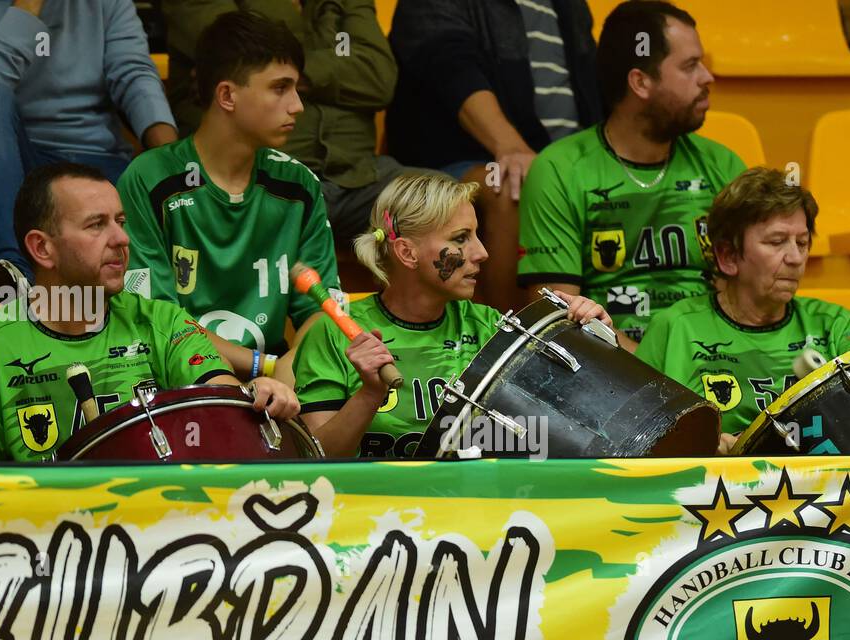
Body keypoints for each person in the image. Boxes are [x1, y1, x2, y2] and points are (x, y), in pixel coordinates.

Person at [0, 163, 297, 464]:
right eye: (96, 225)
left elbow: (219, 397)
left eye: (120, 221)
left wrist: (254, 394)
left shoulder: (162, 320)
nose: (122, 239)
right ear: (42, 248)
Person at [293, 171, 611, 458]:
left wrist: (590, 339)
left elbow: (566, 431)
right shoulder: (331, 332)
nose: (482, 252)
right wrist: (369, 395)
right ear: (407, 252)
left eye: (476, 234)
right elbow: (318, 462)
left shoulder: (492, 328)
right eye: (461, 238)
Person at [118, 10, 339, 385]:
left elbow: (321, 310)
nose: (297, 106)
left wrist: (288, 369)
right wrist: (263, 367)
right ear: (227, 95)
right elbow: (155, 320)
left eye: (296, 89)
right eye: (279, 88)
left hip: (279, 377)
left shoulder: (299, 184)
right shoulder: (148, 179)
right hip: (179, 373)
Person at [636, 167, 850, 444]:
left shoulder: (835, 324)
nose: (795, 258)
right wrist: (702, 445)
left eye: (803, 242)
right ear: (728, 256)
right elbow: (637, 439)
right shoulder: (675, 328)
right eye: (777, 242)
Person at [517, 0, 746, 343]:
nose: (707, 77)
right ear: (640, 82)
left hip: (714, 360)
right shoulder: (559, 170)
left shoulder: (724, 165)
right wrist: (653, 374)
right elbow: (556, 316)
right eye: (690, 66)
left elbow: (751, 296)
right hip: (611, 374)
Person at [0, 0, 177, 287]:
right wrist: (28, 6)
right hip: (6, 161)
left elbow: (134, 75)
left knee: (152, 251)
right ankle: (15, 273)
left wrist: (171, 162)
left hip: (96, 158)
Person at [388, 0, 602, 311]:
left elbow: (595, 86)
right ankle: (511, 340)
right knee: (511, 185)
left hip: (569, 160)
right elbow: (450, 66)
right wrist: (510, 145)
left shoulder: (571, 6)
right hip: (460, 159)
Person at [161, 0, 419, 248]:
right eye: (281, 87)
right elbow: (237, 59)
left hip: (359, 179)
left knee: (444, 206)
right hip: (261, 179)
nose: (296, 103)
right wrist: (341, 65)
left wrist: (282, 74)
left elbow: (380, 78)